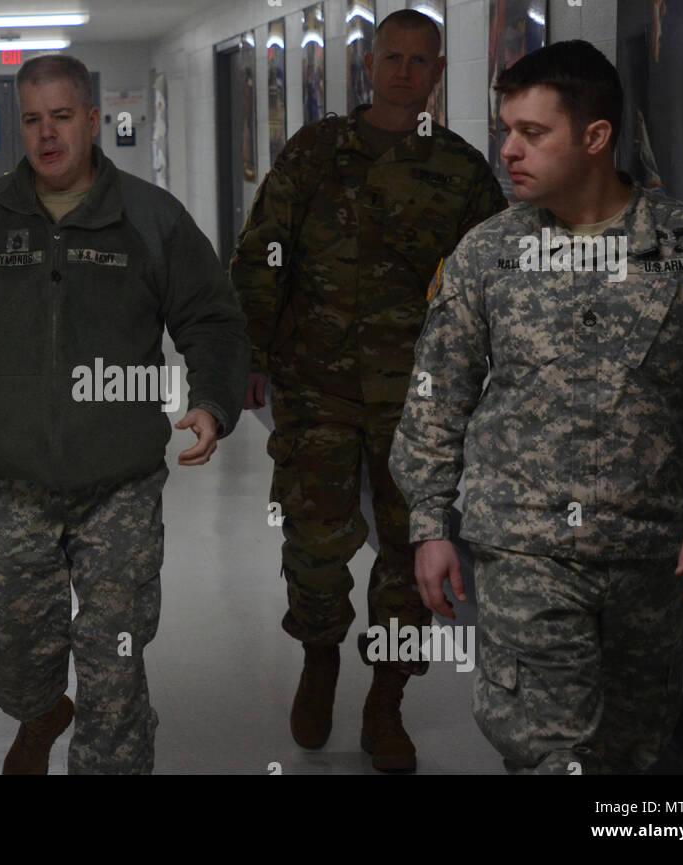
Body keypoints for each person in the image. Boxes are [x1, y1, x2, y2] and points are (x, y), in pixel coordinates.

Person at [389, 40, 683, 774]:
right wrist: (430, 523)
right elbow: (435, 394)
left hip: (652, 559)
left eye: (532, 134)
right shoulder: (487, 254)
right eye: (506, 129)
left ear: (596, 137)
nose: (508, 150)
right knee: (550, 754)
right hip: (525, 549)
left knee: (632, 754)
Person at [0, 54, 248, 775]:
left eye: (62, 117)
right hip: (8, 477)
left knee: (114, 660)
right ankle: (39, 709)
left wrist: (213, 400)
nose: (47, 134)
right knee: (1, 629)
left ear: (92, 120)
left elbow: (211, 318)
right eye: (32, 119)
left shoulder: (150, 219)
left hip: (118, 479)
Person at [229, 9, 507, 771]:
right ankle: (320, 657)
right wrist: (249, 354)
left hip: (415, 401)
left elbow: (493, 286)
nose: (405, 72)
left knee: (410, 554)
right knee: (315, 544)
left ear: (438, 73)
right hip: (313, 386)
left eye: (422, 61)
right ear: (370, 65)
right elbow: (262, 255)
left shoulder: (460, 172)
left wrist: (483, 383)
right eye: (394, 57)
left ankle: (387, 698)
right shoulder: (317, 151)